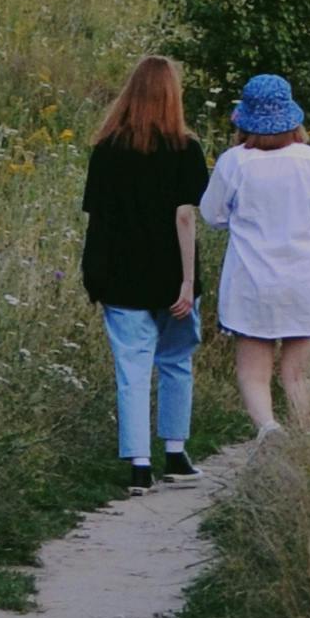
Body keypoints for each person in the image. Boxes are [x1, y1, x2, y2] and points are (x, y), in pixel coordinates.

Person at [79, 53, 209, 491]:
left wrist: (93, 274)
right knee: (175, 362)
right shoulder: (186, 149)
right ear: (173, 95)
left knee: (131, 368)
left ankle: (139, 464)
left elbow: (97, 217)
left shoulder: (106, 149)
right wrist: (188, 282)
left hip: (119, 274)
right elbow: (185, 216)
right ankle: (175, 452)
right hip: (172, 275)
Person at [200, 73, 310, 432]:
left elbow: (212, 214)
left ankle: (268, 430)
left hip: (252, 283)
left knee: (254, 372)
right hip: (305, 278)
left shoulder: (234, 162)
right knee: (298, 374)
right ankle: (305, 434)